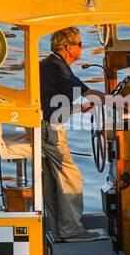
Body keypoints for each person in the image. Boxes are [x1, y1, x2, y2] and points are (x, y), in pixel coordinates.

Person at [40, 27, 104, 242]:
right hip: (50, 130)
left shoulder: (51, 65)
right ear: (68, 47)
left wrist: (79, 108)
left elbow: (51, 103)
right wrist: (116, 100)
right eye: (79, 44)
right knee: (71, 179)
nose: (82, 47)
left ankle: (60, 231)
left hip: (42, 126)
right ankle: (72, 232)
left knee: (52, 182)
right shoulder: (58, 68)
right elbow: (89, 93)